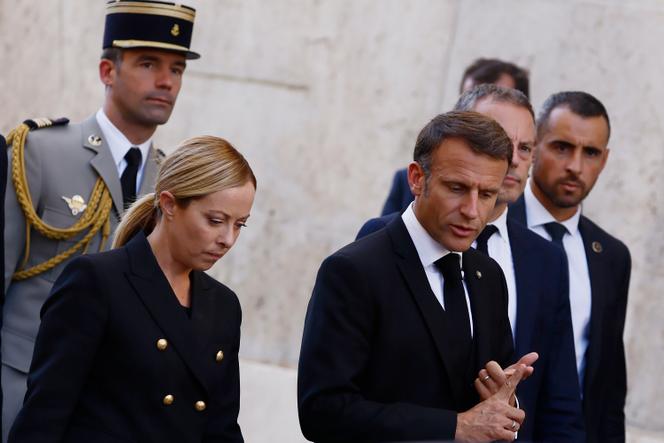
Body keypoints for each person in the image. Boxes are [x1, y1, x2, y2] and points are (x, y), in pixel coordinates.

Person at [2, 1, 200, 437]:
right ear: (107, 71)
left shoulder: (169, 184)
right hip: (23, 392)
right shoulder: (38, 151)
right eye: (149, 64)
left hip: (112, 410)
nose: (166, 81)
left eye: (178, 68)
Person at [357, 86, 585, 441]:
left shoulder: (545, 259)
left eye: (524, 148)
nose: (509, 158)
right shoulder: (380, 244)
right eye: (492, 138)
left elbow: (560, 398)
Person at [299, 111, 538, 443]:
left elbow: (486, 404)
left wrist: (504, 400)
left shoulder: (488, 276)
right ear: (416, 178)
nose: (472, 210)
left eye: (486, 195)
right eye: (457, 188)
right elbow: (321, 411)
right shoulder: (353, 271)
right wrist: (455, 427)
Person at [8, 136, 255, 443]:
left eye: (239, 225)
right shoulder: (96, 281)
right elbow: (45, 415)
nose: (228, 239)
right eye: (215, 220)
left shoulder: (224, 305)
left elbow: (222, 428)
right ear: (169, 204)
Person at [509, 91, 631, 443]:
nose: (575, 166)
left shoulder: (611, 256)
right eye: (562, 147)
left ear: (604, 160)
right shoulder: (489, 226)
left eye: (590, 152)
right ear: (533, 149)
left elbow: (607, 380)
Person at [381, 58, 529, 216]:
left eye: (500, 99)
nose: (471, 212)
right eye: (455, 188)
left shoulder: (528, 209)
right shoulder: (413, 179)